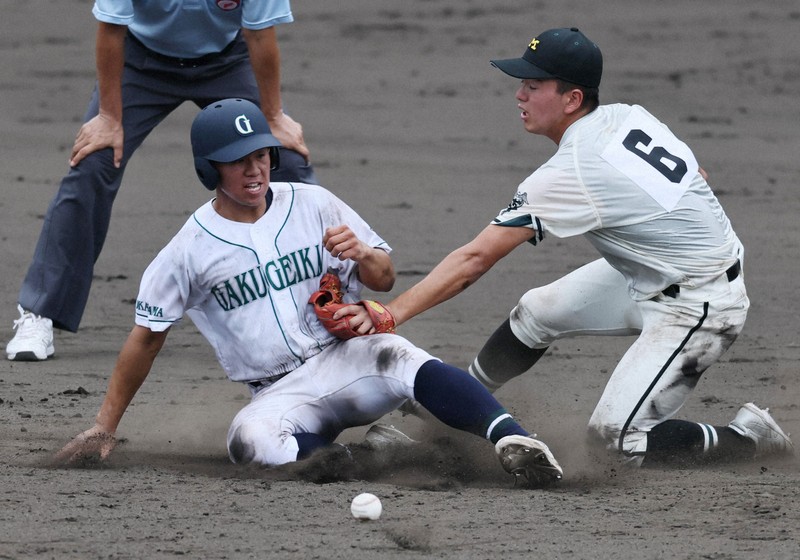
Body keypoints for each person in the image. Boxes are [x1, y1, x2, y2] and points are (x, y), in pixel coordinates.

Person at [341, 28, 793, 468]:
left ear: (572, 99)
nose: (519, 95)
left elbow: (474, 260)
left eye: (534, 86)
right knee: (537, 311)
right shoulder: (626, 115)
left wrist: (390, 313)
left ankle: (748, 438)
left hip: (701, 303)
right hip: (661, 270)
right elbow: (700, 176)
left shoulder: (572, 170)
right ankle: (450, 412)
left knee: (614, 444)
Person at [54, 98, 563, 486]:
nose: (254, 169)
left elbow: (384, 280)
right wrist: (104, 426)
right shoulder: (187, 251)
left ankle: (510, 438)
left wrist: (364, 255)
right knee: (247, 439)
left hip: (347, 359)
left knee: (395, 352)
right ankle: (347, 459)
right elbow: (146, 338)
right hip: (278, 394)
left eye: (261, 155)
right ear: (210, 168)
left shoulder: (313, 203)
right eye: (238, 161)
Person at [7, 0, 317, 361]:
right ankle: (39, 311)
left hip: (226, 62)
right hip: (141, 63)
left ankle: (320, 302)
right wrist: (108, 117)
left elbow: (261, 35)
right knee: (93, 164)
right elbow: (111, 29)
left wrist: (274, 115)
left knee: (289, 163)